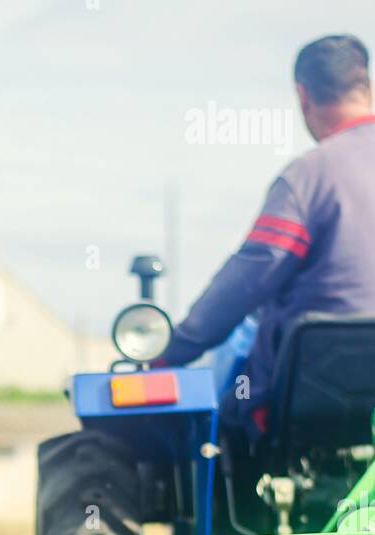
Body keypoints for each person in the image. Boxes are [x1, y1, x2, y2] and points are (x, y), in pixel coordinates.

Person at [159, 35, 375, 437]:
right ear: (367, 87)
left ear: (302, 95)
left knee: (218, 421)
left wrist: (172, 352)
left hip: (309, 406)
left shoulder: (310, 176)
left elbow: (247, 281)